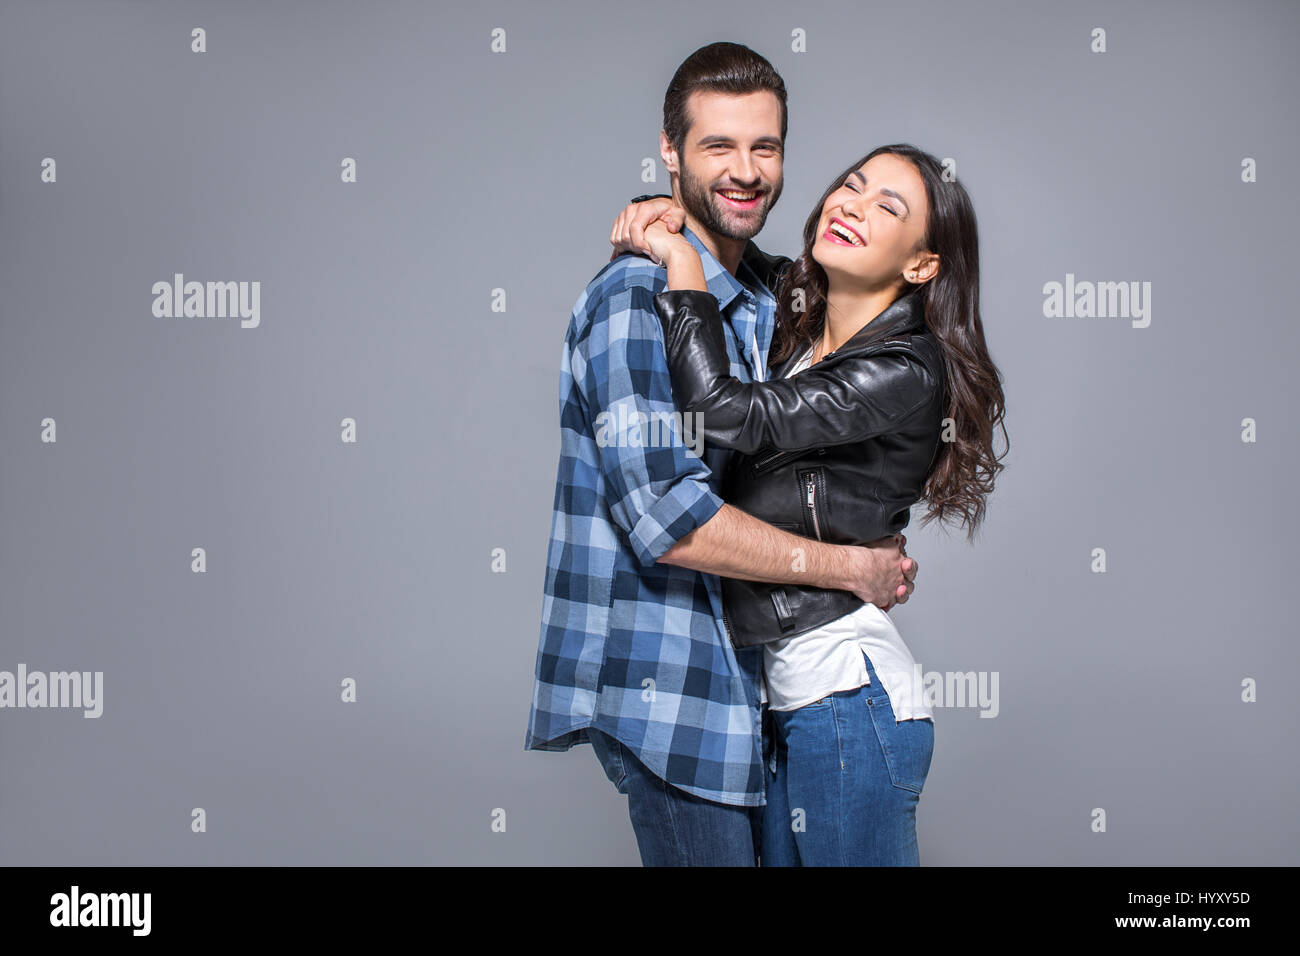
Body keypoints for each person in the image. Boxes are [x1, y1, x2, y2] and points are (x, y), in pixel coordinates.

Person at [524, 43, 919, 867]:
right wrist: (850, 567)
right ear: (670, 152)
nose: (745, 171)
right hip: (666, 687)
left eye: (764, 148)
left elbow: (860, 301)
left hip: (751, 690)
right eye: (717, 148)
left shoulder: (763, 300)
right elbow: (671, 521)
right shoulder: (632, 300)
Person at [607, 143, 1008, 864]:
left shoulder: (903, 369)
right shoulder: (802, 334)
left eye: (888, 206)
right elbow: (745, 257)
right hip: (781, 702)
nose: (851, 204)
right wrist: (667, 215)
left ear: (922, 266)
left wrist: (681, 264)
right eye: (850, 186)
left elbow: (722, 409)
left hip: (847, 701)